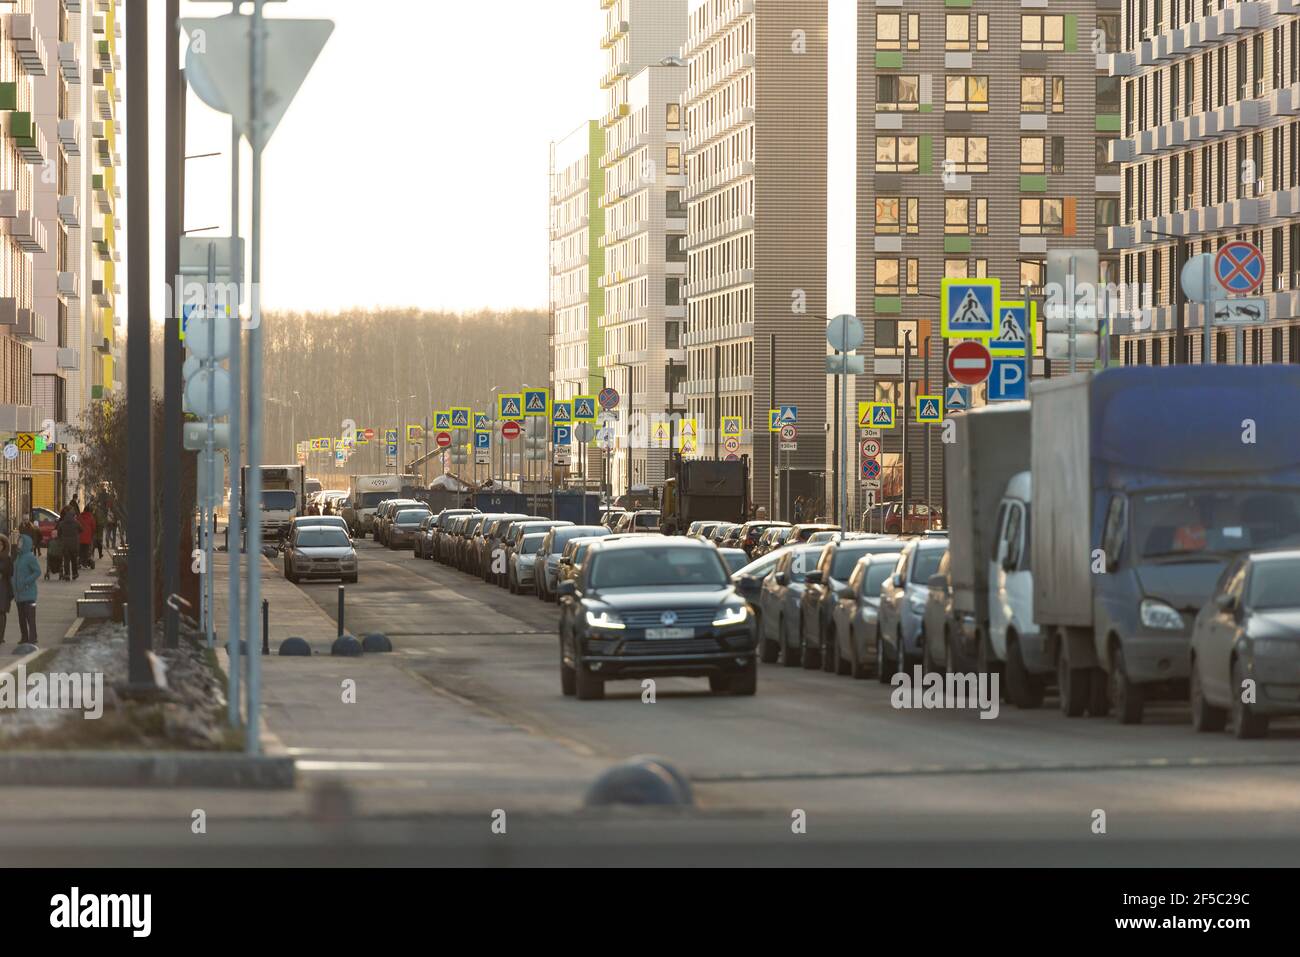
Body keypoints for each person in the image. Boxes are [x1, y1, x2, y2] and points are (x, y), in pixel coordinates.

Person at [13, 533, 39, 646]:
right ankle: (24, 637)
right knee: (21, 617)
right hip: (19, 593)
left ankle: (33, 638)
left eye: (21, 542)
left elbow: (37, 572)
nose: (18, 543)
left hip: (29, 593)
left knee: (30, 617)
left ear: (26, 544)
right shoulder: (18, 557)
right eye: (18, 541)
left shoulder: (30, 557)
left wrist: (26, 582)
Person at [57, 505, 80, 581]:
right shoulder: (76, 523)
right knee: (74, 560)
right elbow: (82, 529)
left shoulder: (62, 523)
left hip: (65, 544)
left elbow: (59, 533)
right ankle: (75, 574)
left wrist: (61, 537)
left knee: (66, 560)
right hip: (74, 544)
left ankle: (67, 574)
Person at [0, 538, 13, 644]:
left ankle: (1, 636)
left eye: (0, 545)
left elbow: (10, 574)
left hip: (3, 587)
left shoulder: (7, 559)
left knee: (1, 612)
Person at [78, 503, 96, 571]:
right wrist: (92, 535)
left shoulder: (79, 516)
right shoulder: (91, 517)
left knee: (80, 551)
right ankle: (84, 563)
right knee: (87, 551)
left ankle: (80, 562)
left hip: (80, 538)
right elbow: (94, 528)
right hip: (88, 538)